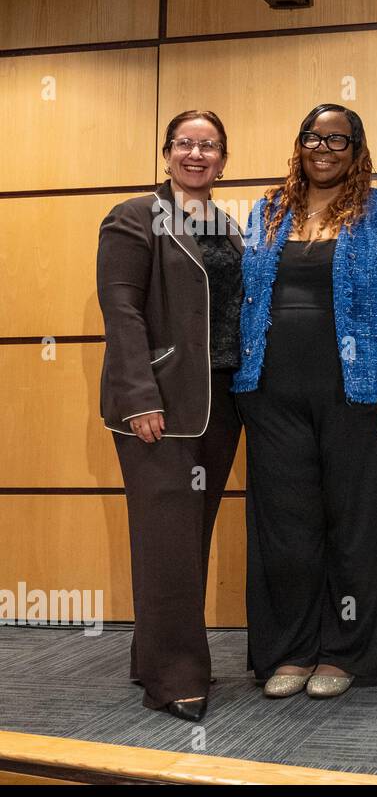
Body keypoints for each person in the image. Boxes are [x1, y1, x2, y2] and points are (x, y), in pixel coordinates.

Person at [235, 104, 377, 700]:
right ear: (299, 145)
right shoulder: (268, 211)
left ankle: (345, 652)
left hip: (360, 397)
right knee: (286, 531)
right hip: (271, 398)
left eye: (337, 139)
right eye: (313, 138)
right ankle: (290, 649)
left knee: (356, 530)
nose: (323, 148)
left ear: (357, 149)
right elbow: (244, 298)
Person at [97, 110, 243, 722]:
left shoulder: (229, 225)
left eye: (209, 146)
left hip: (223, 401)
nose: (196, 154)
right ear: (166, 152)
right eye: (185, 143)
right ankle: (175, 677)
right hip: (162, 403)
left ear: (223, 159)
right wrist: (140, 396)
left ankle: (148, 656)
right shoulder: (134, 217)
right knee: (166, 544)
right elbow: (121, 308)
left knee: (186, 538)